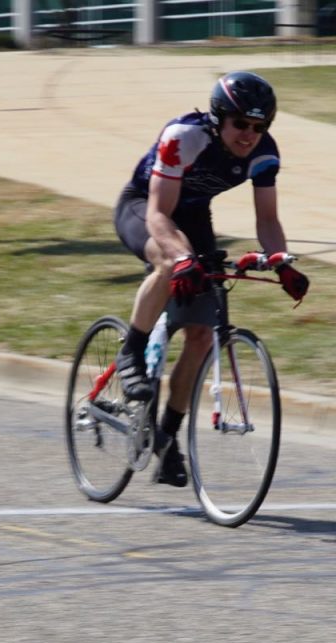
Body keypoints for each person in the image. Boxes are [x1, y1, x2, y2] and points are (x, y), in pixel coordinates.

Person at [113, 71, 310, 487]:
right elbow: (158, 215)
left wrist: (282, 263)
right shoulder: (183, 137)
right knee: (170, 263)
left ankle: (167, 439)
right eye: (240, 123)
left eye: (259, 126)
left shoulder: (265, 153)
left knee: (203, 335)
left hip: (194, 215)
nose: (249, 135)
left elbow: (267, 219)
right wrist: (183, 257)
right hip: (146, 207)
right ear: (219, 118)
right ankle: (131, 353)